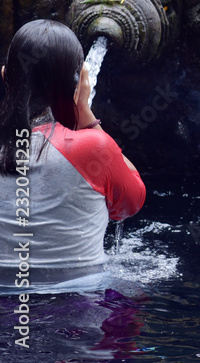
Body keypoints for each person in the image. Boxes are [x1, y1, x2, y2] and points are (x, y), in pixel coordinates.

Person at [0, 20, 146, 288]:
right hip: (80, 305)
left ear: (4, 75)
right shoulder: (92, 147)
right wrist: (88, 118)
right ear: (79, 84)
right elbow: (129, 205)